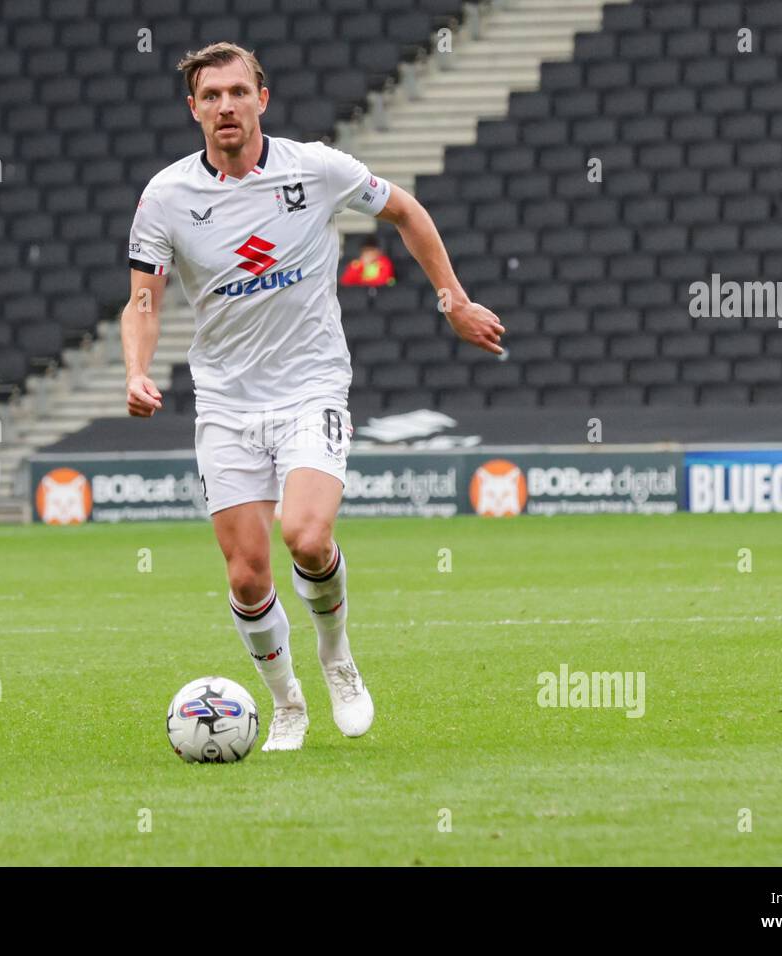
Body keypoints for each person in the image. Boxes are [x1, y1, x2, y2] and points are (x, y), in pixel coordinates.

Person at [122, 42, 505, 751]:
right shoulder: (166, 197)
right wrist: (136, 370)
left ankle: (337, 658)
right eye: (211, 96)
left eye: (238, 92)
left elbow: (408, 212)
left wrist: (453, 299)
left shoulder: (317, 169)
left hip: (310, 387)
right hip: (226, 402)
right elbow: (142, 300)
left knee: (306, 533)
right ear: (194, 109)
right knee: (245, 576)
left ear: (261, 99)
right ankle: (287, 703)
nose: (226, 106)